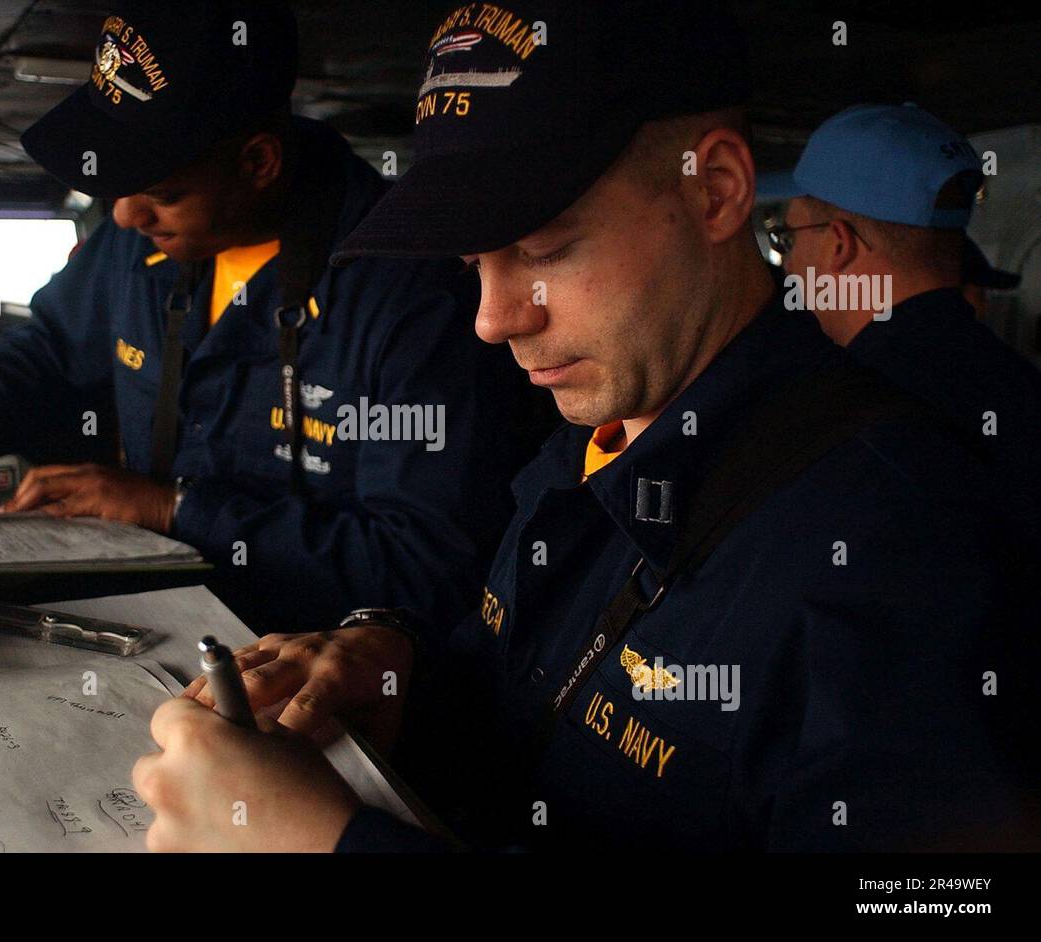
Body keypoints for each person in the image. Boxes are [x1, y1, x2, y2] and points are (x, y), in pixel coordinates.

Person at [131, 0, 1031, 852]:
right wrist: (394, 664)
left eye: (544, 248)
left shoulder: (899, 540)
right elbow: (527, 702)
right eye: (474, 259)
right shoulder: (594, 433)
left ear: (715, 191)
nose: (492, 317)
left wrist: (332, 845)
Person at [0, 0, 532, 634]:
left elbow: (427, 565)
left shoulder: (413, 294)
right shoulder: (139, 240)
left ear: (258, 162)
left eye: (161, 193)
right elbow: (52, 351)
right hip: (153, 626)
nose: (124, 214)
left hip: (309, 663)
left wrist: (175, 510)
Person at [765, 104, 1041, 558]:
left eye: (789, 240)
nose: (789, 264)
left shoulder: (839, 416)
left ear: (839, 244)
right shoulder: (1019, 384)